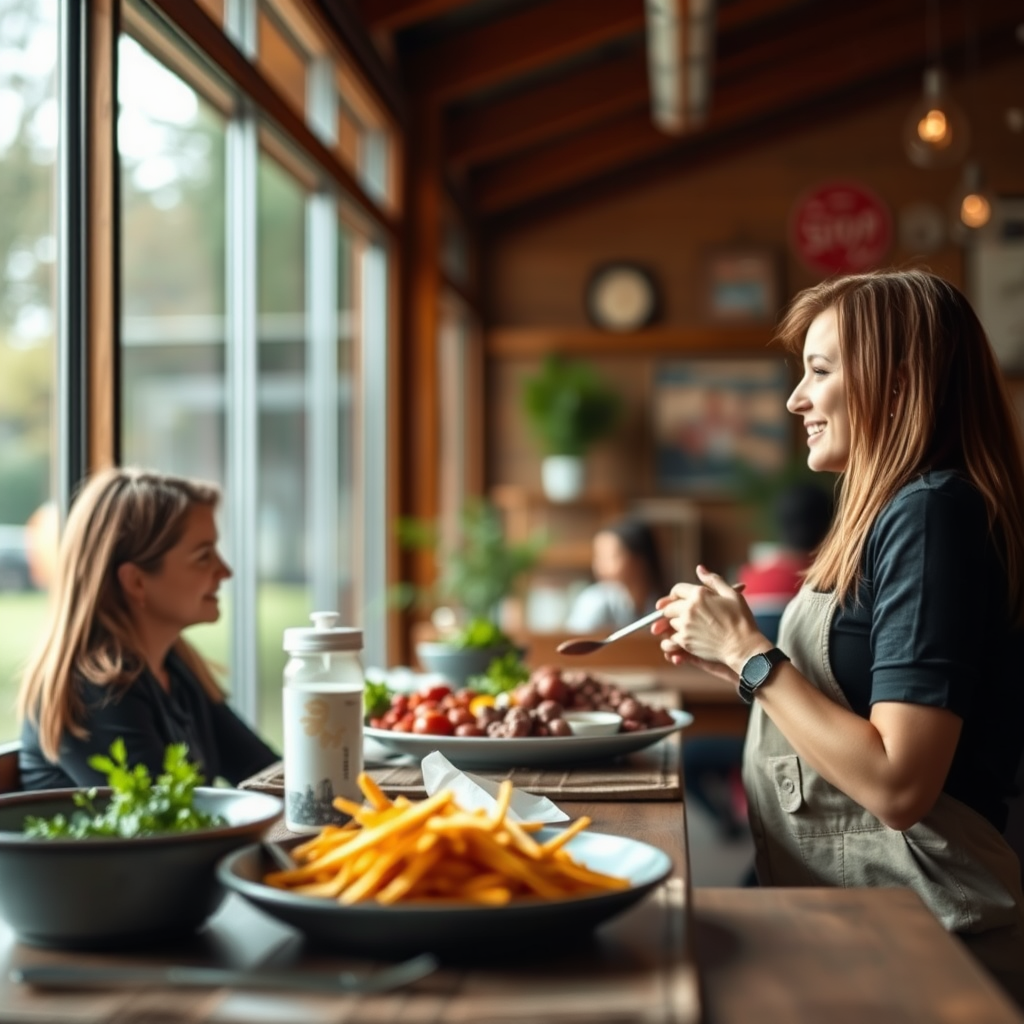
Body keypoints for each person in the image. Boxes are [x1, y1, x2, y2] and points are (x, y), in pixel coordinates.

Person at [653, 270, 1024, 1004]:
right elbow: (856, 698)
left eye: (819, 371)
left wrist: (750, 656)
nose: (795, 398)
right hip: (867, 924)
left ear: (897, 383)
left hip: (926, 947)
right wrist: (729, 651)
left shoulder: (932, 515)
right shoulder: (896, 512)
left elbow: (899, 782)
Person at [18, 467, 279, 790]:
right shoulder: (92, 691)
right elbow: (165, 824)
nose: (224, 571)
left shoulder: (175, 668)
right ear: (136, 581)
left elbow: (265, 772)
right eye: (203, 556)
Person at [684, 481, 834, 842]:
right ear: (832, 525)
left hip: (760, 728)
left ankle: (728, 817)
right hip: (821, 733)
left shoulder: (748, 582)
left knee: (684, 756)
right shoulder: (833, 583)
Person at [565, 519, 666, 633]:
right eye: (599, 557)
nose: (599, 566)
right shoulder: (595, 601)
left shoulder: (664, 602)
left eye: (610, 557)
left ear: (639, 560)